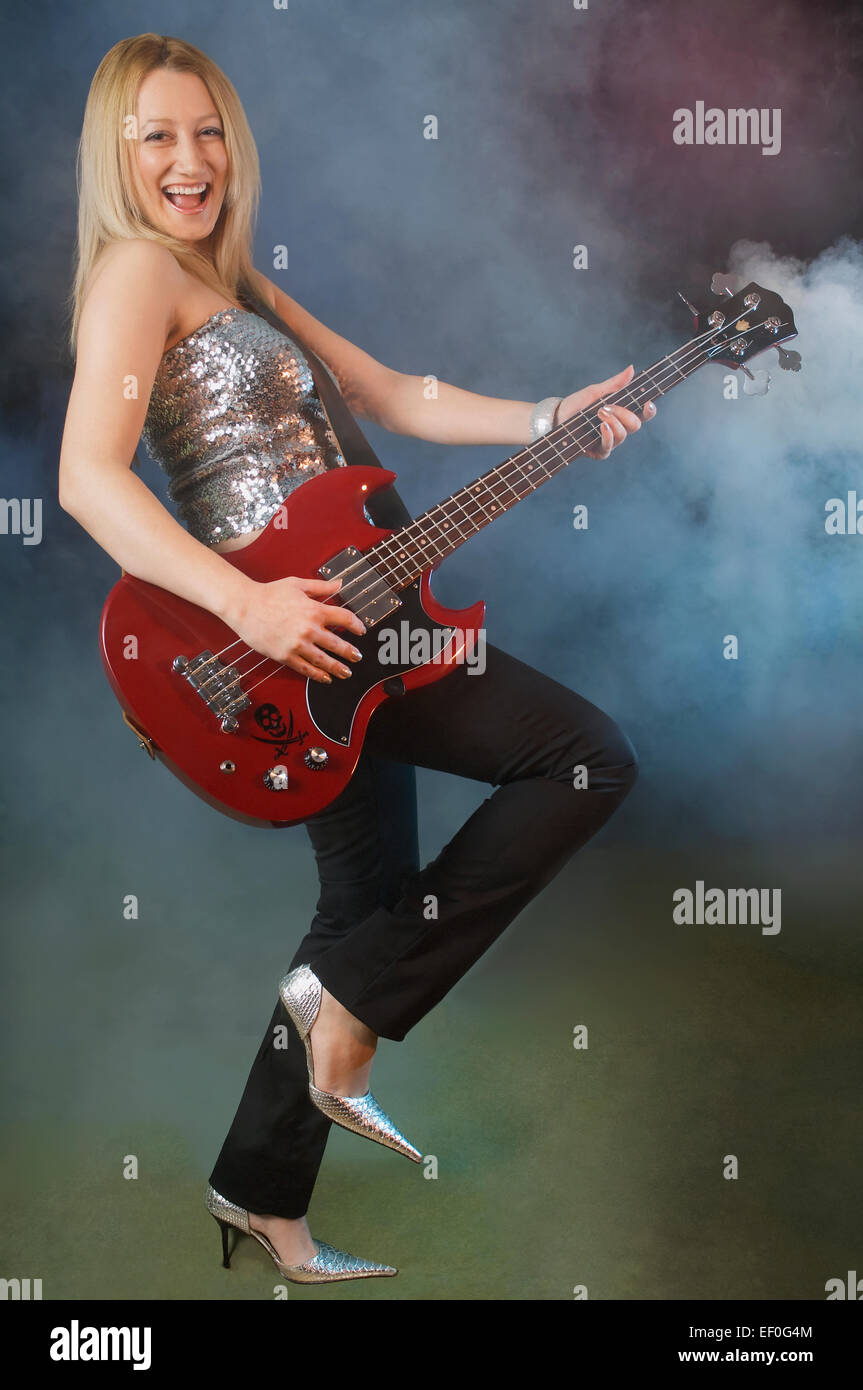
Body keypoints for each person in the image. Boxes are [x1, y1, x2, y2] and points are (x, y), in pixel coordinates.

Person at [59, 33, 655, 1286]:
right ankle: (352, 1012)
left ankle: (261, 1190)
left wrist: (554, 419)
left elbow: (388, 391)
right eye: (158, 135)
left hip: (362, 610)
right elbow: (83, 479)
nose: (189, 158)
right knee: (581, 761)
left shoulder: (230, 284)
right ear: (117, 155)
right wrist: (249, 606)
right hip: (294, 641)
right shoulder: (133, 274)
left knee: (360, 913)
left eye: (209, 129)